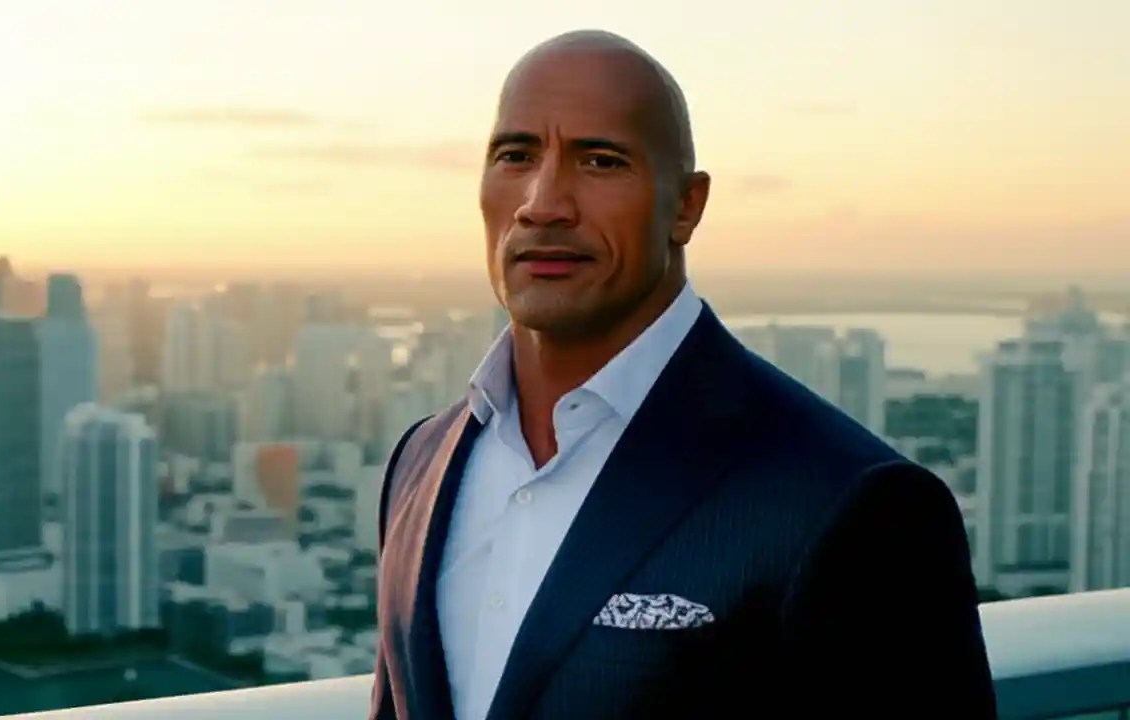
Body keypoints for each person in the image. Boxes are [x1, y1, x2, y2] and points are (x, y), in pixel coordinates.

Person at [370, 29, 996, 720]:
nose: (543, 202)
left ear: (686, 206)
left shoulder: (846, 500)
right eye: (515, 155)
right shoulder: (420, 463)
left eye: (601, 162)